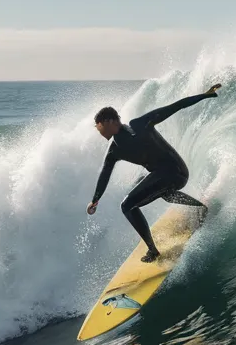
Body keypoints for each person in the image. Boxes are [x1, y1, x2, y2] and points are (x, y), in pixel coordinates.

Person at [86, 84, 222, 262]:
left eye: (99, 126)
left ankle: (153, 251)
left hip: (175, 171)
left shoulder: (139, 124)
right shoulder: (114, 150)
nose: (98, 130)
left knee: (127, 205)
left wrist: (204, 95)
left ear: (110, 121)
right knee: (145, 184)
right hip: (167, 176)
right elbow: (105, 173)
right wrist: (96, 199)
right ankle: (199, 207)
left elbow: (175, 106)